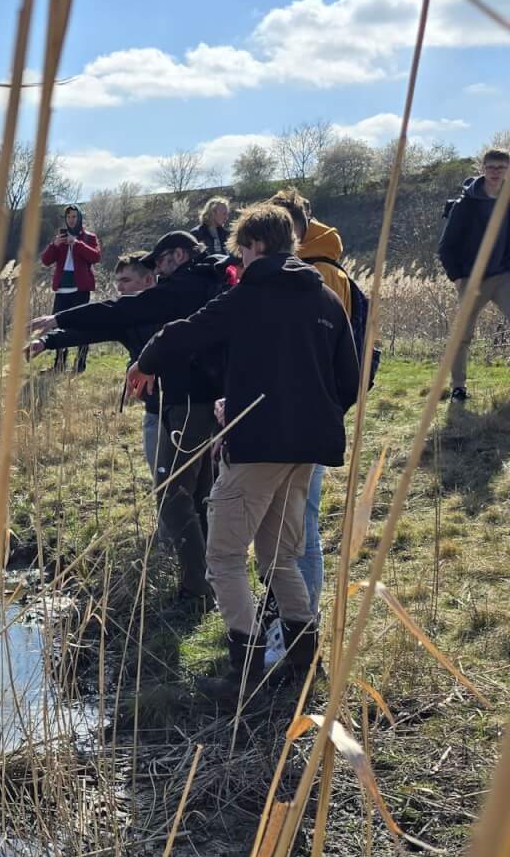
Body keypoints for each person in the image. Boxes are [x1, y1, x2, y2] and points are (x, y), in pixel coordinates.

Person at [136, 204, 359, 704]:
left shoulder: (250, 295)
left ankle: (246, 673)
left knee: (224, 557)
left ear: (255, 246)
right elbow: (349, 380)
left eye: (242, 250)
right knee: (280, 556)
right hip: (307, 450)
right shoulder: (326, 298)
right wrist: (309, 417)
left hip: (257, 447)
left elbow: (186, 332)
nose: (239, 258)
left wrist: (145, 363)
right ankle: (303, 662)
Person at [27, 233, 237, 603]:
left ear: (177, 256)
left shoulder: (181, 289)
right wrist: (52, 338)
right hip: (191, 406)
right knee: (197, 492)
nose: (159, 271)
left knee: (173, 493)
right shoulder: (206, 283)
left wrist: (58, 315)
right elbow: (101, 323)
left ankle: (197, 587)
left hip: (187, 407)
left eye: (159, 263)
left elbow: (116, 312)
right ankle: (209, 574)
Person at [267, 189, 359, 620]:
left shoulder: (321, 272)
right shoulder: (286, 267)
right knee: (283, 519)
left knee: (301, 521)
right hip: (286, 410)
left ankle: (304, 619)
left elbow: (326, 350)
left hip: (309, 411)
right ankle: (286, 607)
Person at [438, 146, 510, 402]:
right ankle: (458, 387)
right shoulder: (465, 205)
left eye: (501, 167)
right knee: (463, 334)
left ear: (509, 170)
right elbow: (446, 246)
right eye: (491, 167)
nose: (496, 172)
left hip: (505, 275)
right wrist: (457, 277)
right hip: (472, 278)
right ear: (482, 169)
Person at [39, 205, 100, 373]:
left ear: (79, 218)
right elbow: (45, 261)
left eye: (74, 216)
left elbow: (96, 257)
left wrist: (77, 243)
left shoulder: (88, 237)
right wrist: (54, 245)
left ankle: (80, 364)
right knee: (58, 327)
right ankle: (59, 364)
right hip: (62, 290)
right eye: (68, 217)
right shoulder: (60, 239)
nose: (71, 220)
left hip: (80, 290)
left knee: (82, 327)